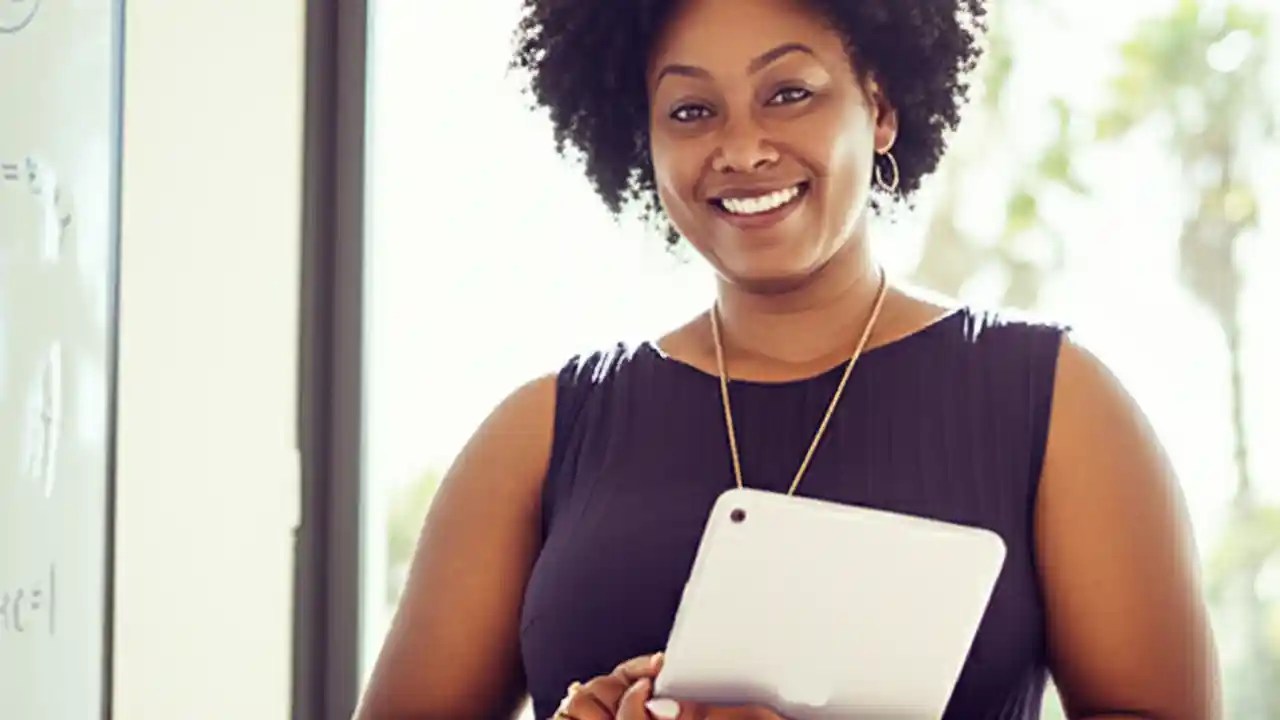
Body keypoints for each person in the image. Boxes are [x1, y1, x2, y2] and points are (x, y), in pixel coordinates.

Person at [354, 0, 1221, 718]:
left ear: (880, 108)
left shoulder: (1056, 403)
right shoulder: (538, 435)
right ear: (641, 138)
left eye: (790, 93)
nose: (741, 148)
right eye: (691, 111)